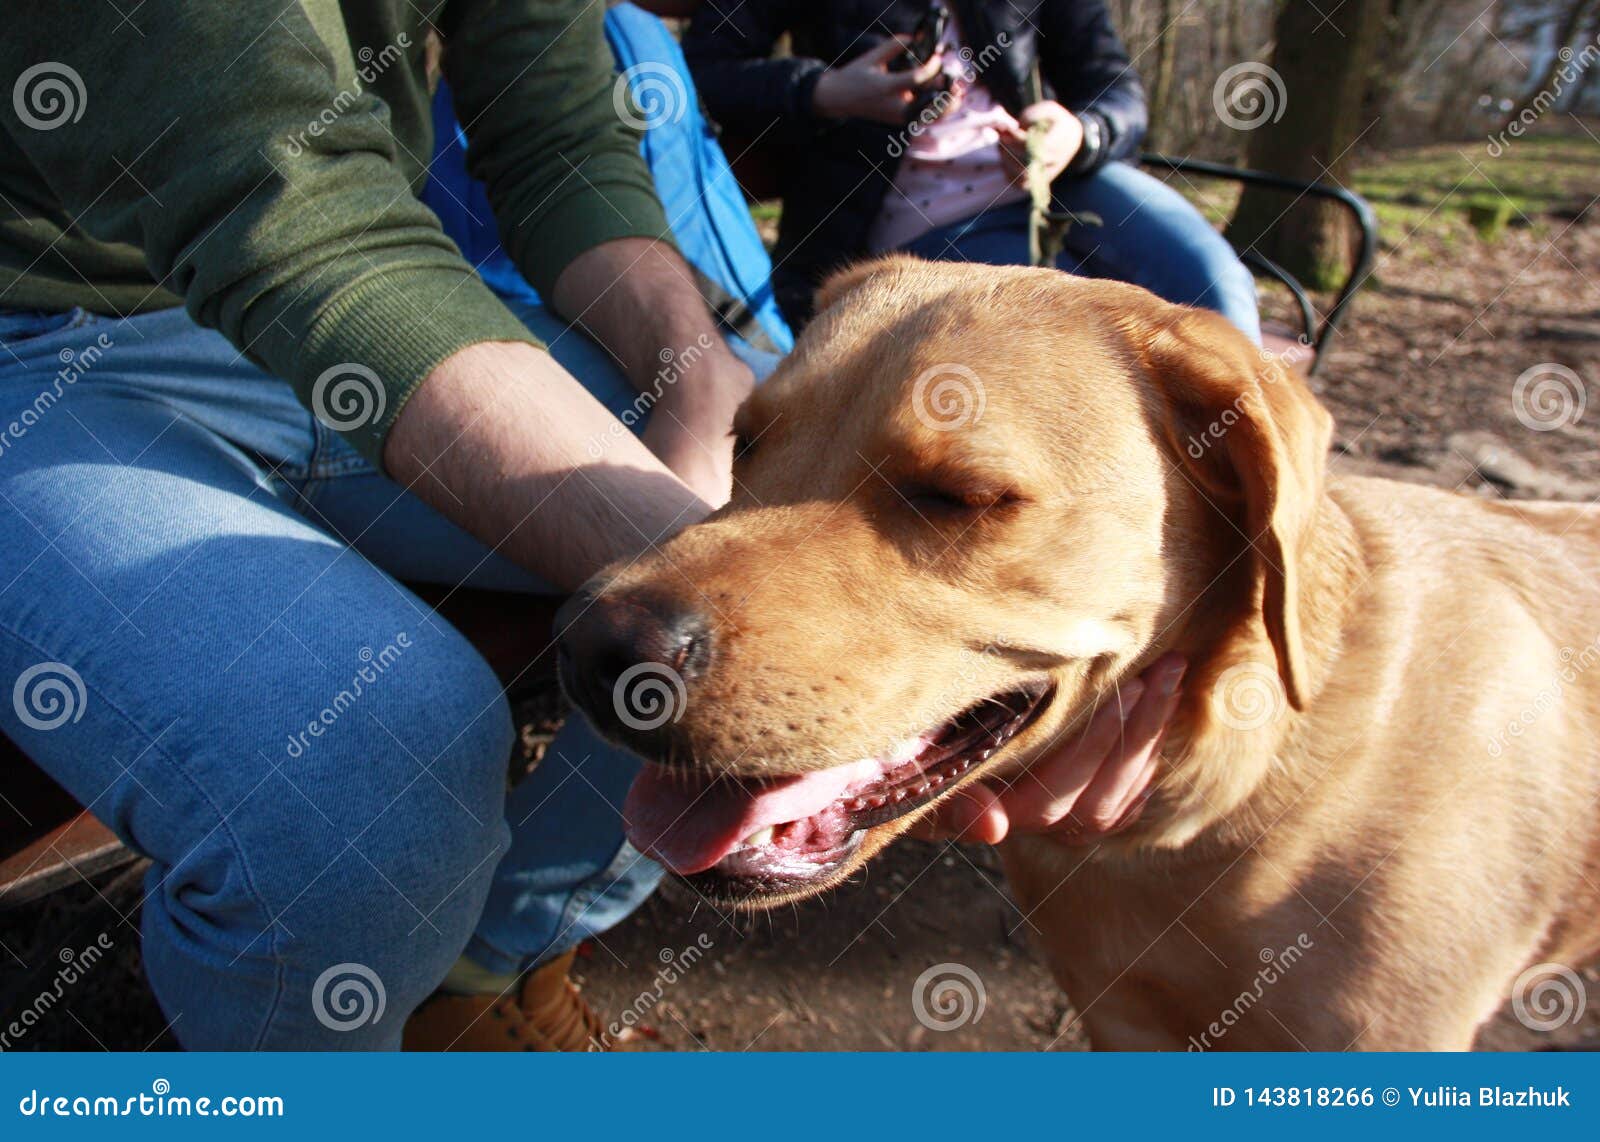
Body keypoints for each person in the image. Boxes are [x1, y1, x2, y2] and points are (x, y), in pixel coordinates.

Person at [0, 0, 1177, 1052]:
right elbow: (292, 219)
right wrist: (729, 592)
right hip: (41, 351)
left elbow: (560, 137)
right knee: (365, 773)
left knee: (796, 450)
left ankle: (484, 963)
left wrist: (691, 366)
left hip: (318, 307)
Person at [683, 0, 1262, 342]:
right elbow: (703, 67)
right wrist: (827, 91)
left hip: (1055, 179)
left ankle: (1250, 502)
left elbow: (1117, 91)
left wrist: (1078, 134)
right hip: (905, 215)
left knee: (1215, 282)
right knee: (1070, 335)